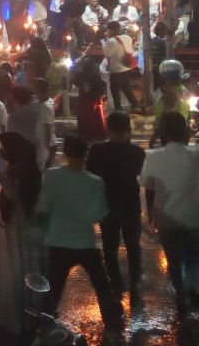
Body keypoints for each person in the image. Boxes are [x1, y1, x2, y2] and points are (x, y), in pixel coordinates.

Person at [37, 135, 123, 333]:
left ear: (65, 153)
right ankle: (112, 323)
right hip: (84, 242)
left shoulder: (52, 175)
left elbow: (43, 206)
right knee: (102, 285)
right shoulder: (95, 182)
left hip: (57, 241)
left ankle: (45, 322)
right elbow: (98, 214)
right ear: (85, 154)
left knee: (54, 287)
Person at [140, 111, 199, 314]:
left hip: (165, 219)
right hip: (193, 217)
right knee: (193, 259)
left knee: (174, 261)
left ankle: (181, 293)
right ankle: (193, 288)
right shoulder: (195, 154)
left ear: (163, 132)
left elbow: (147, 185)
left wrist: (150, 213)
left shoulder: (154, 157)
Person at [86, 111, 145, 305]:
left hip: (107, 202)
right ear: (128, 129)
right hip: (130, 202)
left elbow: (91, 176)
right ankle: (135, 280)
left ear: (108, 128)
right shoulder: (137, 152)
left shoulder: (96, 151)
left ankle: (116, 282)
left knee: (110, 245)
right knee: (132, 243)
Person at [0, 132, 43, 338]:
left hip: (18, 226)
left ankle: (20, 317)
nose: (1, 151)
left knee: (18, 266)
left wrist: (0, 179)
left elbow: (17, 197)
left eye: (3, 147)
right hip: (15, 225)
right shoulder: (22, 167)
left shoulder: (24, 170)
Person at [102, 21, 138, 112]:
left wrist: (105, 41)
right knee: (126, 88)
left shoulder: (110, 41)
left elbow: (106, 54)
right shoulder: (127, 37)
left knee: (115, 90)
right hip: (126, 67)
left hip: (116, 69)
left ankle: (118, 108)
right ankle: (135, 105)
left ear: (111, 30)